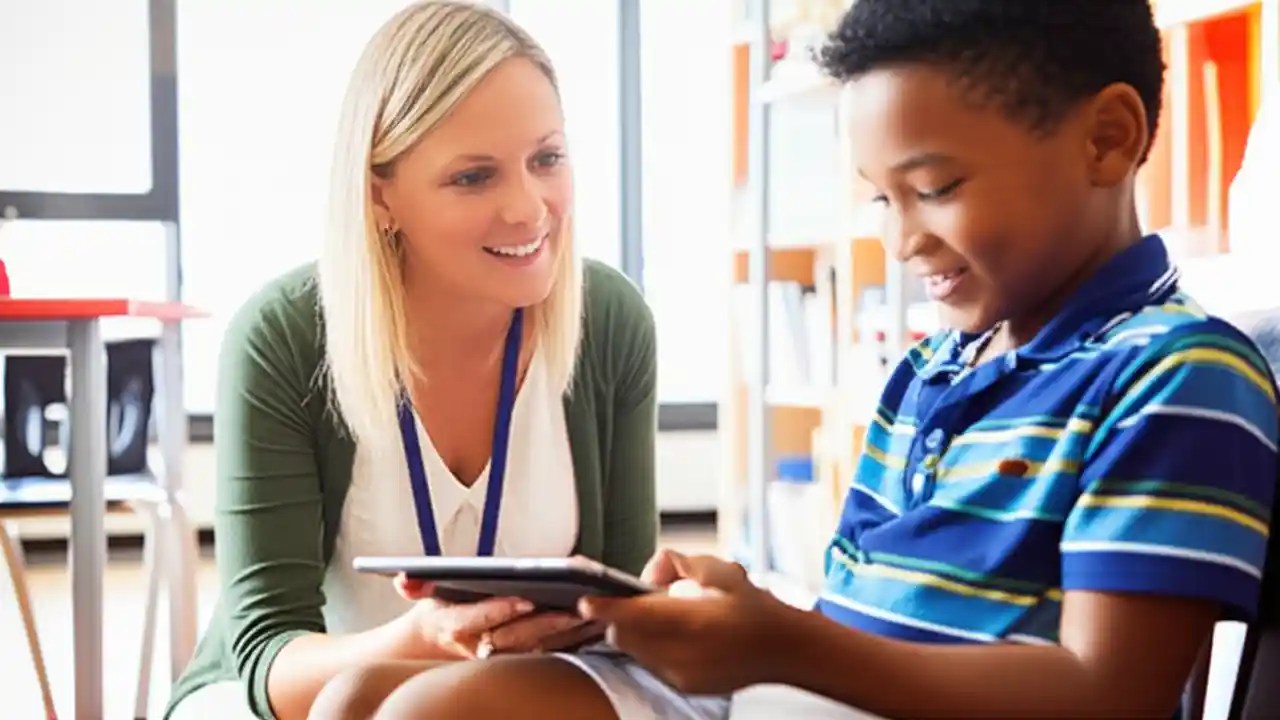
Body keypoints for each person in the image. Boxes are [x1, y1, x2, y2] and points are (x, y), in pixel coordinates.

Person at [359, 1, 1280, 719]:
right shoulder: (931, 373)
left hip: (827, 697)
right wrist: (735, 619)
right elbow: (856, 620)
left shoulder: (1176, 375)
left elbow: (1107, 695)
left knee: (439, 709)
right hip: (804, 696)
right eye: (881, 201)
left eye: (935, 189)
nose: (904, 239)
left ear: (1108, 138)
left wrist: (784, 645)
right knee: (372, 697)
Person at [163, 2, 661, 718]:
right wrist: (423, 643)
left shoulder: (609, 321)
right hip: (302, 696)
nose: (529, 208)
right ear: (380, 194)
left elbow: (624, 620)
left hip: (512, 693)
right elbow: (267, 658)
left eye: (546, 158)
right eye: (473, 177)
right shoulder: (284, 337)